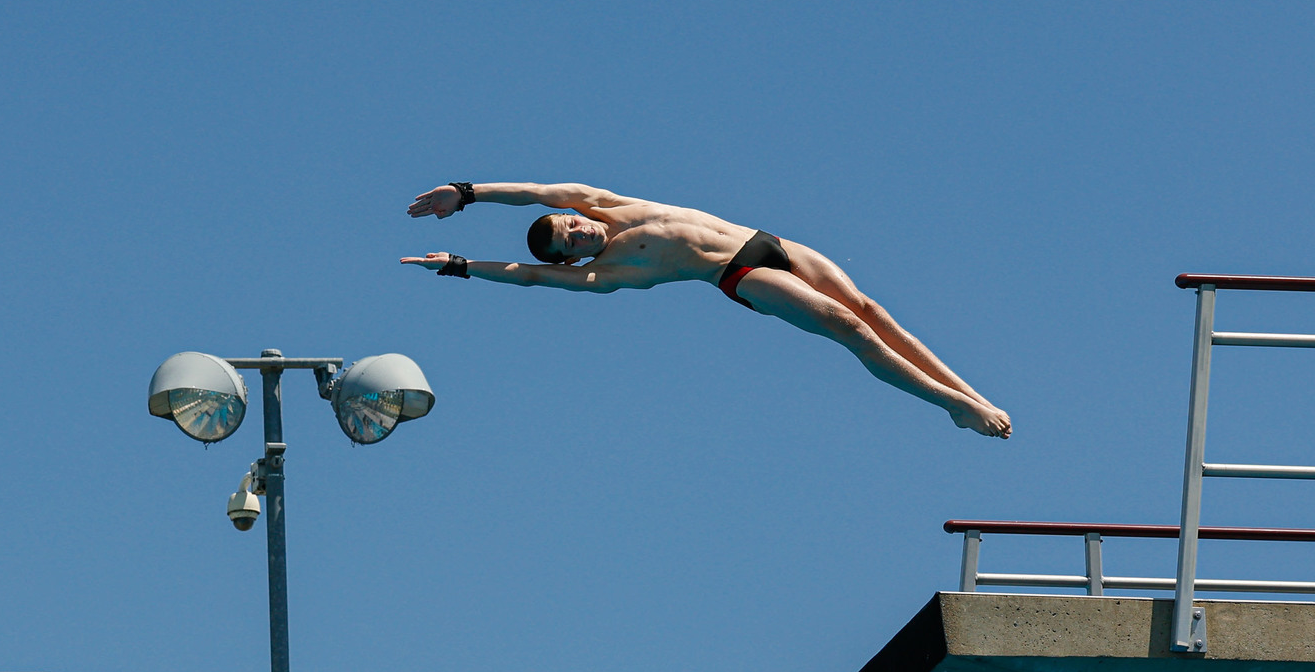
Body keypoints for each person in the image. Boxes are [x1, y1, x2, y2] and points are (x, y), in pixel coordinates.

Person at [402, 180, 1010, 437]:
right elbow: (528, 278)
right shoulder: (606, 273)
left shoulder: (608, 206)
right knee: (849, 328)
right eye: (569, 244)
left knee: (872, 311)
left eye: (570, 225)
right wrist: (461, 265)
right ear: (570, 259)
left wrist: (469, 192)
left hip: (766, 239)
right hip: (739, 273)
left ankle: (972, 397)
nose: (577, 232)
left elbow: (538, 191)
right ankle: (950, 406)